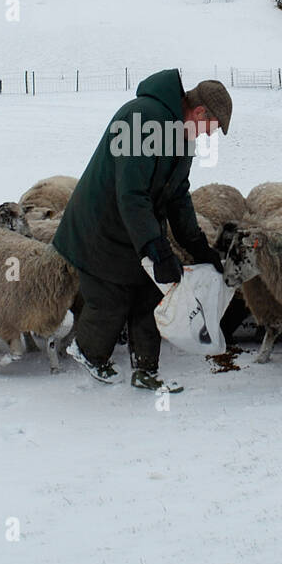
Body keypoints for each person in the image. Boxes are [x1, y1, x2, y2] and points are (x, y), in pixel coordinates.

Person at [53, 69, 231, 391]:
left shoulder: (182, 137)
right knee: (111, 298)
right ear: (200, 111)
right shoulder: (143, 118)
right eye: (210, 129)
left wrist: (197, 245)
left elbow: (177, 194)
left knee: (151, 294)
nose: (207, 137)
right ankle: (89, 353)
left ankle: (146, 370)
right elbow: (131, 192)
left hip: (130, 226)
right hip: (100, 225)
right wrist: (155, 245)